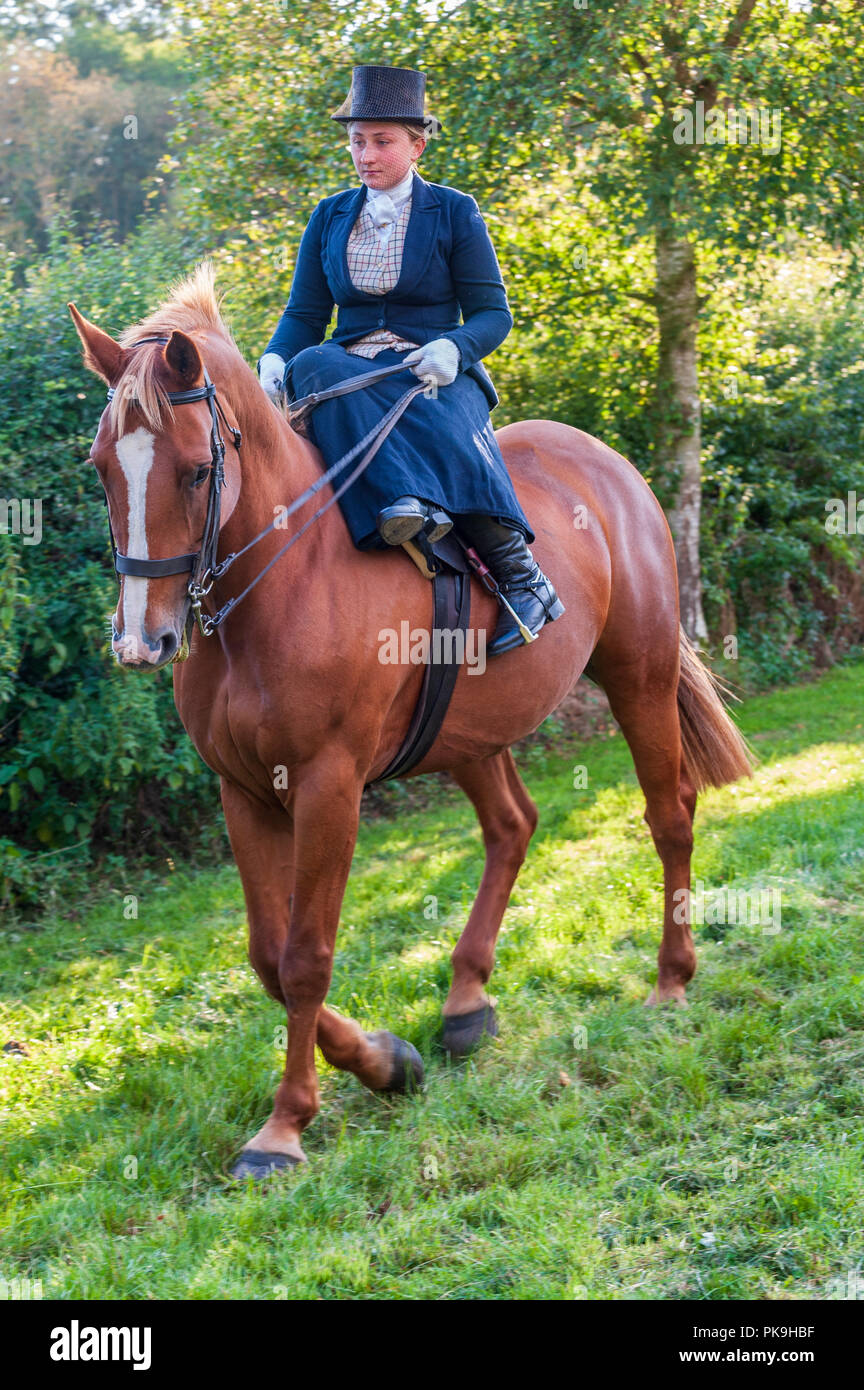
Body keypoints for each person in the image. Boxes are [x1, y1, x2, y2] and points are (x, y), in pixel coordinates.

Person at [258, 64, 563, 655]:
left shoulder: (454, 211)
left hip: (435, 369)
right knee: (311, 365)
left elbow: (493, 314)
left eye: (381, 141)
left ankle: (523, 578)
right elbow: (304, 315)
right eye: (356, 141)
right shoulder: (328, 216)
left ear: (417, 144)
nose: (365, 155)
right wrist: (274, 358)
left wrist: (456, 347)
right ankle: (404, 505)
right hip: (349, 369)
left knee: (435, 413)